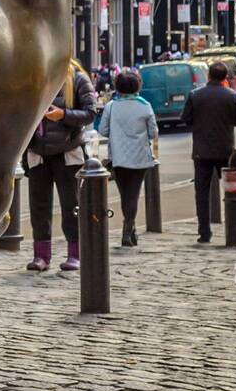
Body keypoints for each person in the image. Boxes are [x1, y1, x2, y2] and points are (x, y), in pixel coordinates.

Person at [25, 60, 98, 271]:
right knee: (39, 207)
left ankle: (75, 253)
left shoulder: (77, 78)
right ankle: (41, 255)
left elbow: (91, 112)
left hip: (68, 152)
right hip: (38, 152)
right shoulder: (33, 77)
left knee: (71, 205)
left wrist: (63, 115)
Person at [180, 61, 236, 243]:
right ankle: (235, 227)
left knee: (202, 193)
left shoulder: (195, 95)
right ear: (225, 78)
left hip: (202, 151)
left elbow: (185, 118)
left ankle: (204, 232)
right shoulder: (232, 96)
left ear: (208, 76)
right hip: (225, 150)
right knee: (232, 190)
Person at [97, 69, 158, 246]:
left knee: (125, 195)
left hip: (119, 157)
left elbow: (103, 131)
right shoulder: (145, 105)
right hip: (140, 157)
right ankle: (128, 229)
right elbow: (153, 132)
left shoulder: (111, 106)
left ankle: (129, 229)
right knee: (134, 193)